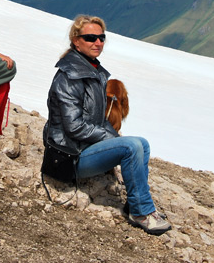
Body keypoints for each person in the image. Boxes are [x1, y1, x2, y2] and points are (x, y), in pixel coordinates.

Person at [42, 15, 171, 235]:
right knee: (132, 147)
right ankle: (141, 212)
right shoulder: (69, 77)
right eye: (91, 37)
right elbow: (74, 127)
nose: (98, 43)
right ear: (76, 40)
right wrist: (112, 139)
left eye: (101, 38)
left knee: (141, 144)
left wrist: (113, 139)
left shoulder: (93, 72)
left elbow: (98, 120)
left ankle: (136, 203)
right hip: (68, 156)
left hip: (83, 148)